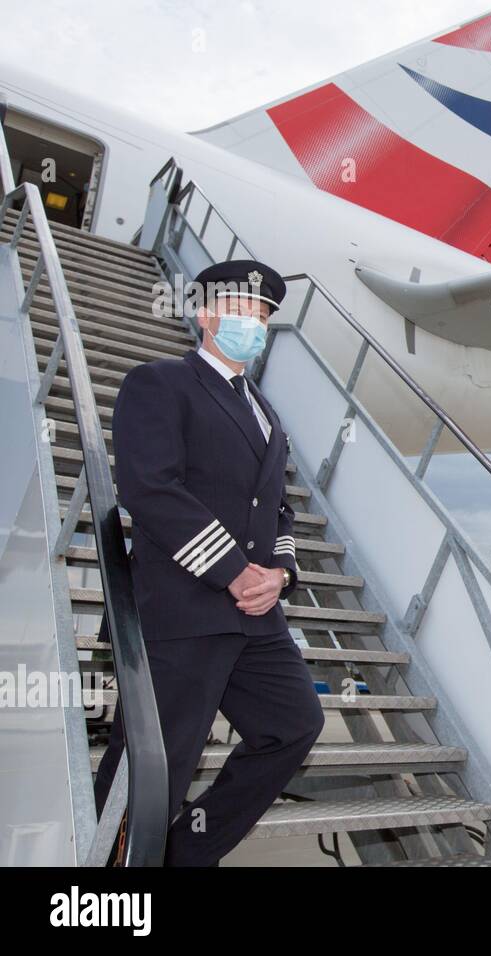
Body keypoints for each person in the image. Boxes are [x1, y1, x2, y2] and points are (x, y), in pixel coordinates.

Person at [93, 259, 325, 866]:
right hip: (186, 608)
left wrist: (280, 572)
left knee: (294, 724)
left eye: (263, 315)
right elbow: (150, 488)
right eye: (243, 310)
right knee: (153, 770)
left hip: (257, 618)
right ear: (204, 313)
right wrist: (232, 570)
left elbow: (279, 513)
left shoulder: (266, 414)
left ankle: (185, 852)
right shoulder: (160, 383)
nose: (254, 323)